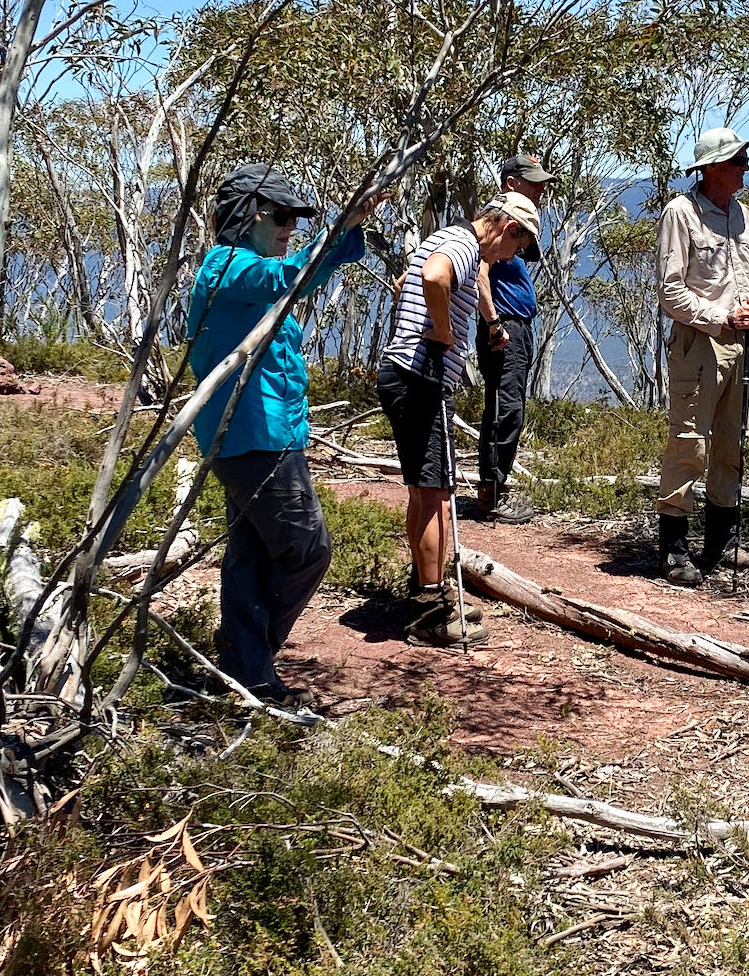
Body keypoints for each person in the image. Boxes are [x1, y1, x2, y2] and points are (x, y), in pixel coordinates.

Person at [186, 163, 373, 706]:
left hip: (265, 435)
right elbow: (287, 277)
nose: (291, 225)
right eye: (282, 215)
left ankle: (245, 669)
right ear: (247, 217)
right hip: (254, 437)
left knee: (250, 556)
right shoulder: (228, 268)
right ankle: (251, 659)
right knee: (306, 550)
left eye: (297, 216)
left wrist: (346, 230)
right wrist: (339, 229)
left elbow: (294, 276)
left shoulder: (247, 269)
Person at [380, 192, 543, 646]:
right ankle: (430, 609)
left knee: (423, 491)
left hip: (406, 376)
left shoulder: (446, 236)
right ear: (508, 229)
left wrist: (432, 316)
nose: (508, 257)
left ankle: (423, 590)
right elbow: (433, 276)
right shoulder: (467, 245)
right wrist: (446, 330)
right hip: (420, 379)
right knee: (436, 495)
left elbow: (405, 282)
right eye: (516, 247)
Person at [654, 126, 749, 587]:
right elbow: (670, 291)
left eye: (745, 158)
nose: (746, 166)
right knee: (690, 442)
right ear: (711, 168)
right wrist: (722, 317)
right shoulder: (681, 213)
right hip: (698, 343)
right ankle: (672, 550)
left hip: (738, 344)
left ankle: (721, 543)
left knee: (730, 442)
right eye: (738, 159)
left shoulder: (742, 215)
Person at [472, 151, 556, 523]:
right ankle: (492, 494)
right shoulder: (497, 227)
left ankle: (495, 488)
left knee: (509, 406)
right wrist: (493, 322)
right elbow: (479, 273)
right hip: (504, 324)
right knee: (505, 407)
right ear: (511, 184)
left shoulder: (515, 224)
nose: (541, 189)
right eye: (534, 182)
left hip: (516, 324)